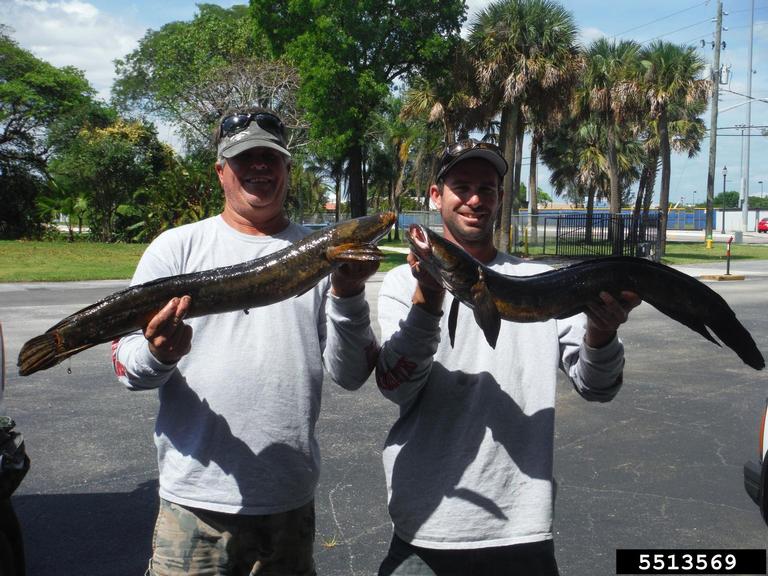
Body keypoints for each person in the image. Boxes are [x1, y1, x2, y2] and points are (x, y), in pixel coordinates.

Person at [113, 107, 379, 576]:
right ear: (220, 171)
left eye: (270, 157)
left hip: (288, 503)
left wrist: (349, 291)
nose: (259, 166)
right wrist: (158, 354)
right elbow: (125, 362)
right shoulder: (177, 248)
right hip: (194, 504)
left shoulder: (323, 255)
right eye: (244, 158)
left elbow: (352, 373)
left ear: (287, 169)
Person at [374, 139, 641, 575]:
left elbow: (598, 386)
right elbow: (396, 387)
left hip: (522, 531)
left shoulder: (540, 280)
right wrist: (428, 298)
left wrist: (602, 330)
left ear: (500, 197)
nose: (475, 199)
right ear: (436, 195)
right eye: (462, 187)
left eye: (487, 188)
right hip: (426, 525)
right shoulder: (403, 284)